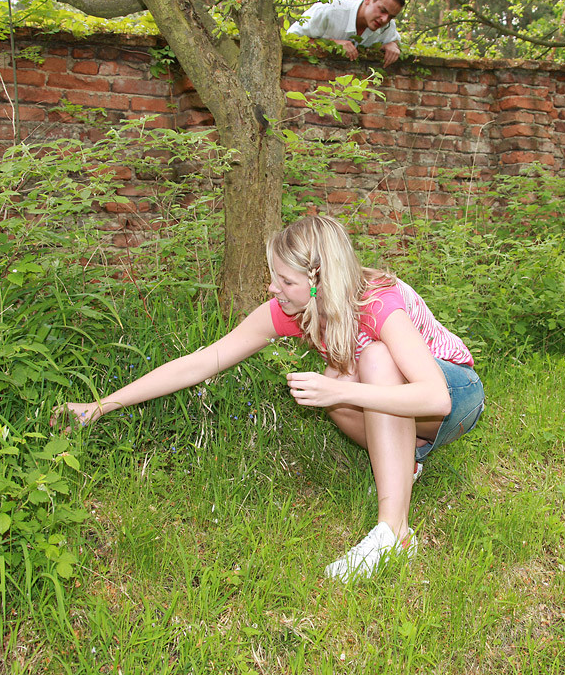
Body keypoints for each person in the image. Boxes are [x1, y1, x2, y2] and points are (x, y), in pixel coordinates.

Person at [59, 215, 484, 582]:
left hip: (457, 394)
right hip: (410, 409)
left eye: (285, 279)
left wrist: (339, 389)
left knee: (365, 363)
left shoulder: (376, 302)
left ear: (319, 280)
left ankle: (395, 533)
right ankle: (405, 460)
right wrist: (100, 406)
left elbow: (435, 398)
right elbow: (202, 362)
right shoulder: (292, 310)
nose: (272, 286)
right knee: (338, 381)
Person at [286, 0, 406, 67]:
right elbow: (291, 40)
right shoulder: (329, 10)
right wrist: (331, 43)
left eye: (391, 17)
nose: (384, 20)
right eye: (382, 10)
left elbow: (395, 41)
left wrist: (392, 45)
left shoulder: (387, 26)